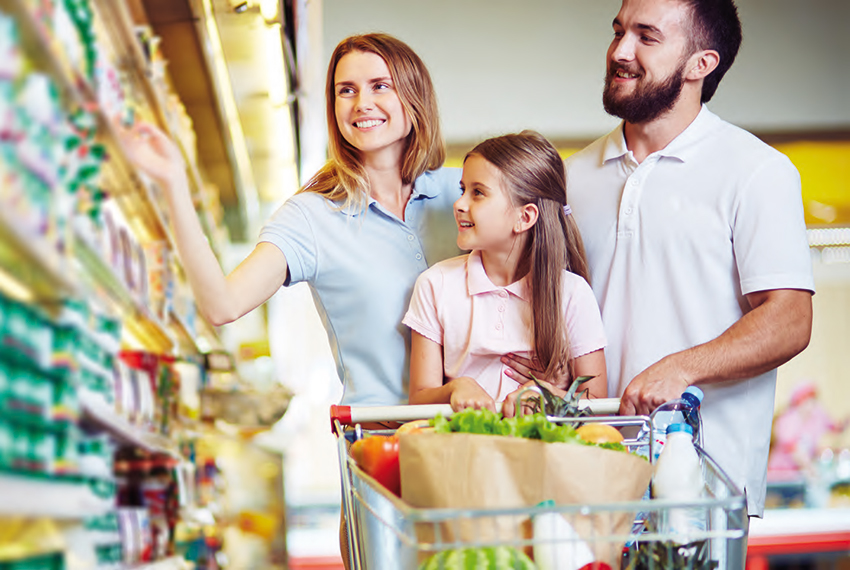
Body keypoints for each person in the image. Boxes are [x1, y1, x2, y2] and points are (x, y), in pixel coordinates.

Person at [557, 0, 814, 522]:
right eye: (618, 31)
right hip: (587, 475)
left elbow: (789, 318)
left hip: (701, 486)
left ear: (702, 63)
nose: (620, 51)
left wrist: (681, 368)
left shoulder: (757, 171)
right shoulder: (570, 177)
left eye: (647, 37)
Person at [116, 33, 463, 408]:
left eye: (380, 86)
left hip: (485, 437)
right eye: (346, 91)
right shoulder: (312, 217)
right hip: (381, 449)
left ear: (414, 97)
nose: (362, 104)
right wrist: (174, 184)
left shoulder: (464, 193)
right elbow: (223, 305)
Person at [404, 131, 607, 415]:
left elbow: (598, 402)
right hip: (463, 451)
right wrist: (455, 388)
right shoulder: (434, 285)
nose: (459, 203)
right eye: (463, 190)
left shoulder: (572, 293)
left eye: (478, 193)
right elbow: (419, 398)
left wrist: (549, 396)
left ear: (524, 217)